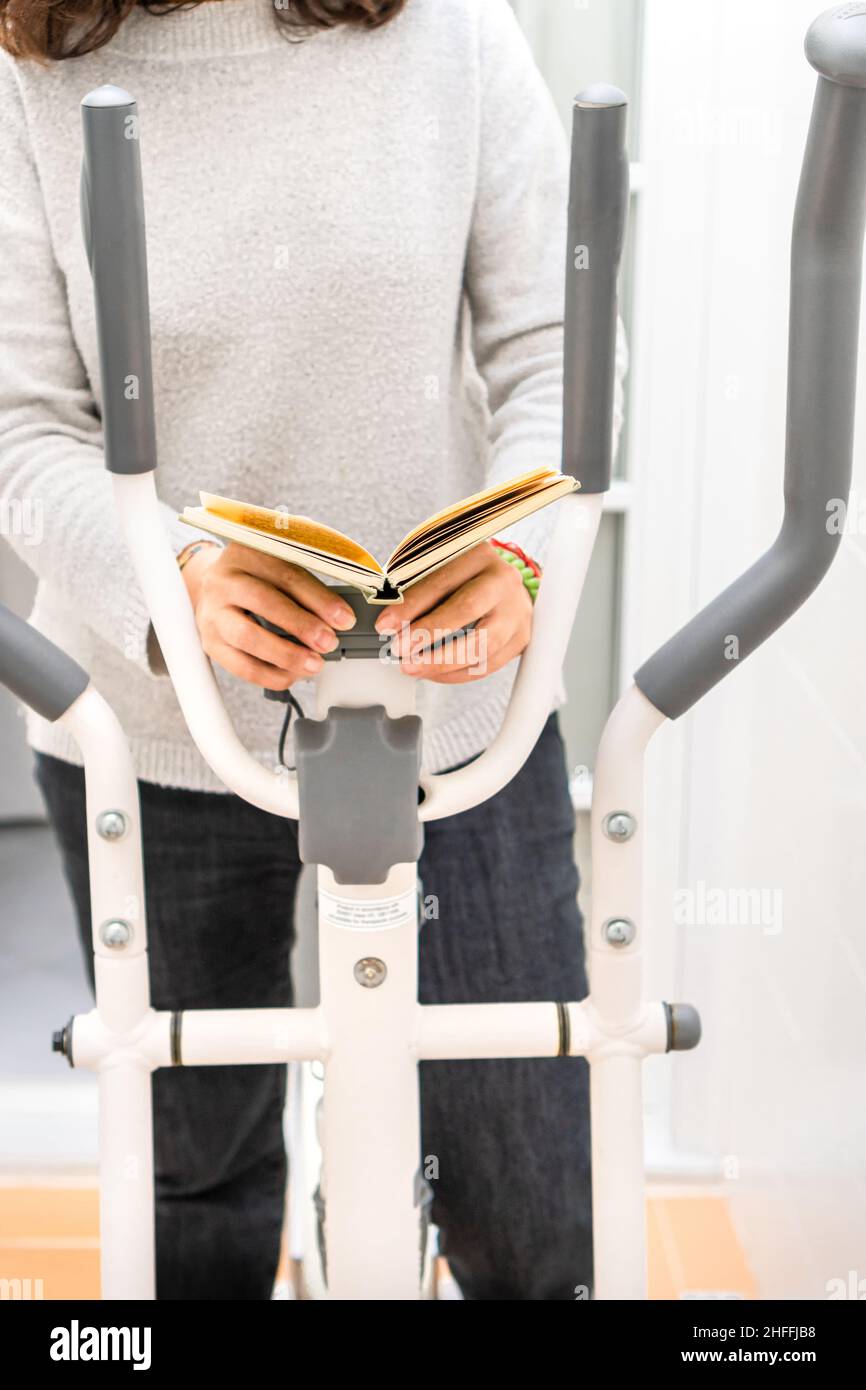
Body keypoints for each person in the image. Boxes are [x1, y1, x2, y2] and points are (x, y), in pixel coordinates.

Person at [0, 0, 625, 1299]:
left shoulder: (450, 31)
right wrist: (170, 579)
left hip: (447, 715)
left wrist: (518, 552)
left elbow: (553, 350)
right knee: (198, 1189)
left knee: (525, 1193)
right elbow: (24, 426)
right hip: (155, 728)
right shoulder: (29, 72)